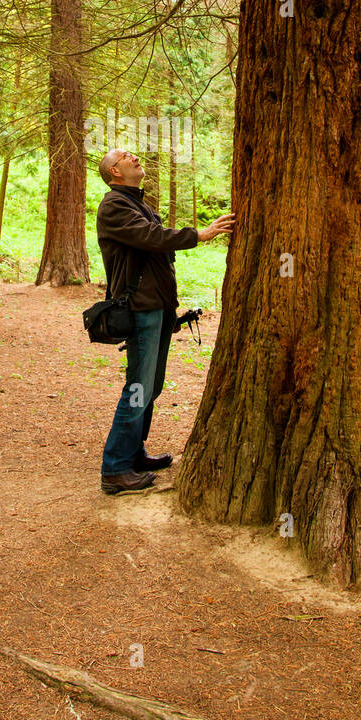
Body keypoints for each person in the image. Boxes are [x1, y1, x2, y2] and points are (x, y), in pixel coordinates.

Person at [95, 147, 235, 494]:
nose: (134, 156)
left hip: (156, 307)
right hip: (141, 309)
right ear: (115, 171)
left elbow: (155, 250)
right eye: (126, 156)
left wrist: (170, 309)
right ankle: (114, 469)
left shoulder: (135, 203)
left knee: (151, 387)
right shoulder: (114, 205)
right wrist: (198, 235)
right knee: (139, 387)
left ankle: (133, 453)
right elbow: (151, 238)